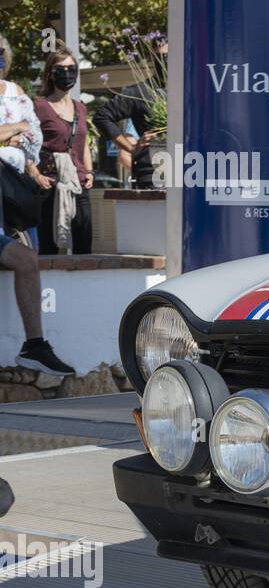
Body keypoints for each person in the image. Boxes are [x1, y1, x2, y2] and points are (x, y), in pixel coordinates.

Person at [0, 32, 76, 377]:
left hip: (10, 193)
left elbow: (34, 137)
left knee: (28, 259)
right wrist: (13, 128)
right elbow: (24, 128)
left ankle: (35, 346)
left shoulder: (16, 93)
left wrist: (15, 133)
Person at [31, 43, 94, 254]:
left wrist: (89, 171)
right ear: (50, 74)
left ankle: (83, 288)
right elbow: (24, 143)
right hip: (50, 185)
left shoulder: (80, 107)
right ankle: (46, 288)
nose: (67, 74)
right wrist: (36, 174)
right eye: (60, 70)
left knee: (84, 246)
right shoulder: (39, 106)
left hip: (78, 183)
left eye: (71, 70)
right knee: (48, 249)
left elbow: (83, 142)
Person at [93, 81, 157, 188]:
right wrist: (133, 150)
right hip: (152, 176)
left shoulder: (191, 90)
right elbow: (102, 116)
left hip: (189, 170)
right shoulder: (141, 92)